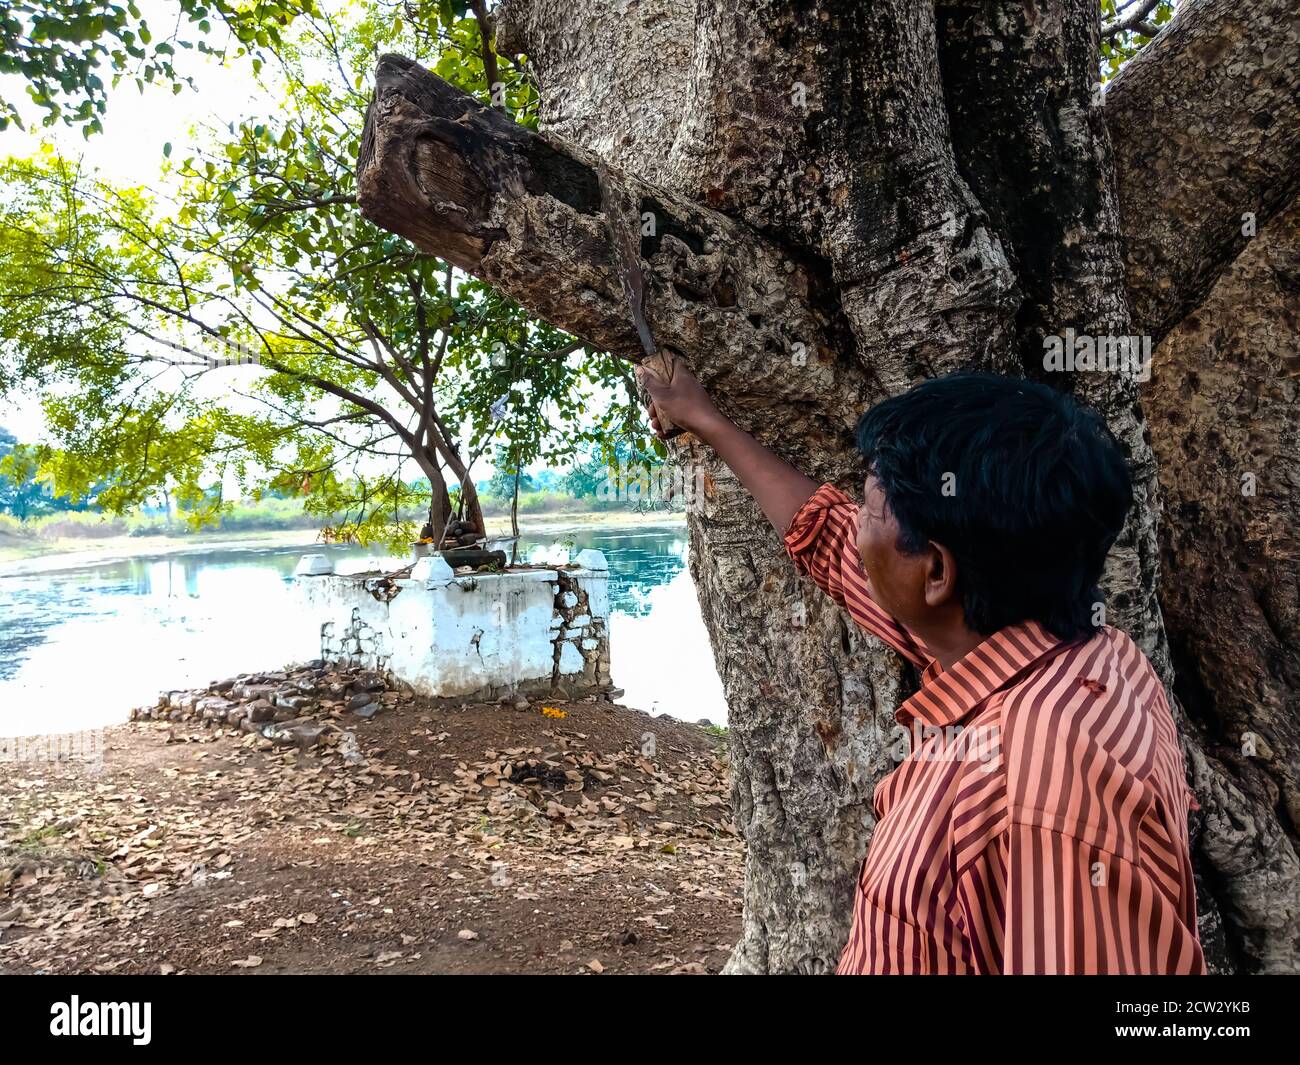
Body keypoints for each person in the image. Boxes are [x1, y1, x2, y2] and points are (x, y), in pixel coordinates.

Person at [638, 361, 1205, 975]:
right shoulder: (1070, 652)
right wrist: (705, 419)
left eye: (872, 512)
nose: (855, 527)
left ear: (936, 573)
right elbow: (826, 541)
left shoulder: (1038, 788)